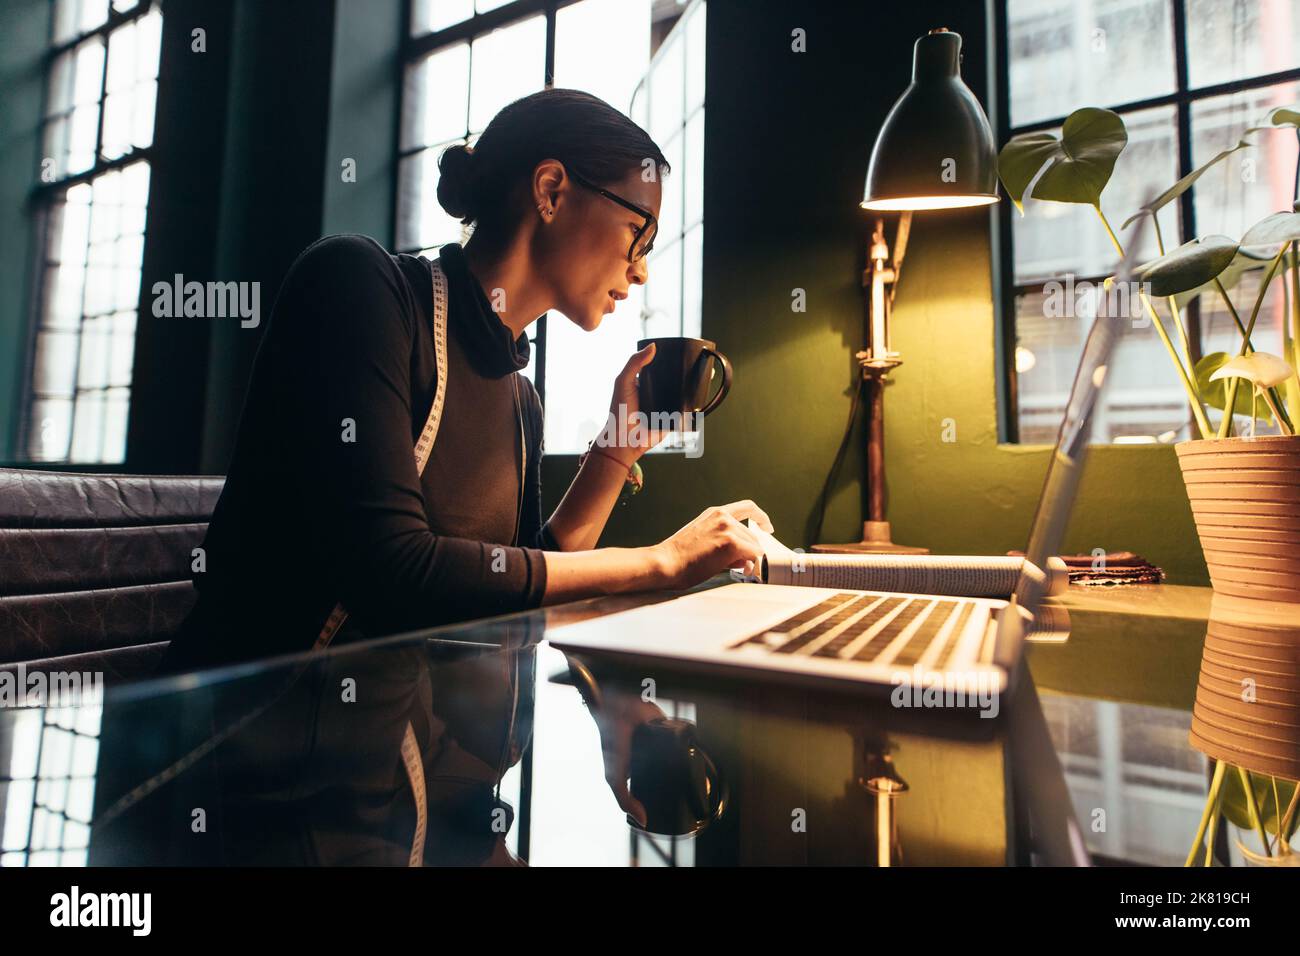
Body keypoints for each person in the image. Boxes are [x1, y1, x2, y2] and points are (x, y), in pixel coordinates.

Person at [158, 88, 771, 674]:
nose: (639, 272)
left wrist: (614, 453)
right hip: (252, 747)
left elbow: (516, 582)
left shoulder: (518, 397)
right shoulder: (358, 287)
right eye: (641, 233)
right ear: (552, 190)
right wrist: (661, 562)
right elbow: (393, 570)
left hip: (400, 747)